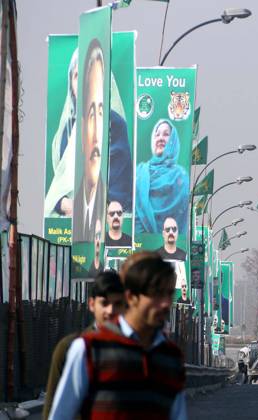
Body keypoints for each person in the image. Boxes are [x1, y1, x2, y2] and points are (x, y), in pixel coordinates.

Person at [49, 253, 187, 419]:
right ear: (131, 297)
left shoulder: (171, 357)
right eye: (156, 294)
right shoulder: (89, 349)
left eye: (169, 294)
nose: (165, 303)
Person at [43, 271, 124, 419]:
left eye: (117, 303)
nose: (111, 311)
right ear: (92, 304)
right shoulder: (69, 348)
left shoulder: (136, 352)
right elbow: (53, 407)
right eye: (104, 303)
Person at [73, 39, 106, 242]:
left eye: (101, 112)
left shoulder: (109, 208)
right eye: (91, 114)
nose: (95, 136)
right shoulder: (73, 213)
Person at [135, 119, 189, 234]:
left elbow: (182, 215)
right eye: (157, 134)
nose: (160, 138)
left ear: (173, 140)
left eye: (166, 134)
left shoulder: (180, 176)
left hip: (171, 247)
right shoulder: (140, 172)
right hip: (140, 246)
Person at [44, 48, 78, 218]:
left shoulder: (115, 126)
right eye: (77, 76)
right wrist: (63, 203)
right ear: (71, 85)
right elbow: (58, 184)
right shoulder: (65, 131)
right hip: (64, 225)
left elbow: (121, 192)